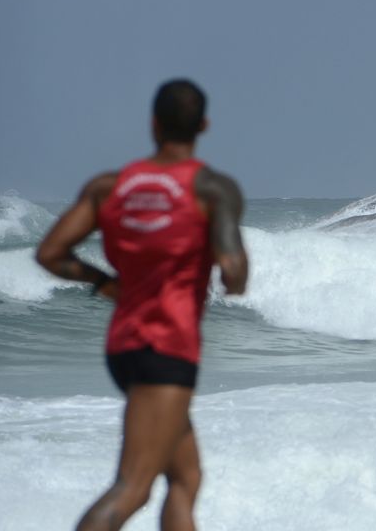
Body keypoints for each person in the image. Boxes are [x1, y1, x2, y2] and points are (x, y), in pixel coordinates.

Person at [34, 79, 249, 531]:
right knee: (132, 487)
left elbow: (50, 253)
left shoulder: (109, 187)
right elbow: (235, 275)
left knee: (186, 476)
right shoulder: (212, 189)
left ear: (153, 124)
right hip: (167, 349)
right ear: (204, 126)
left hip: (124, 346)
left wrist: (104, 282)